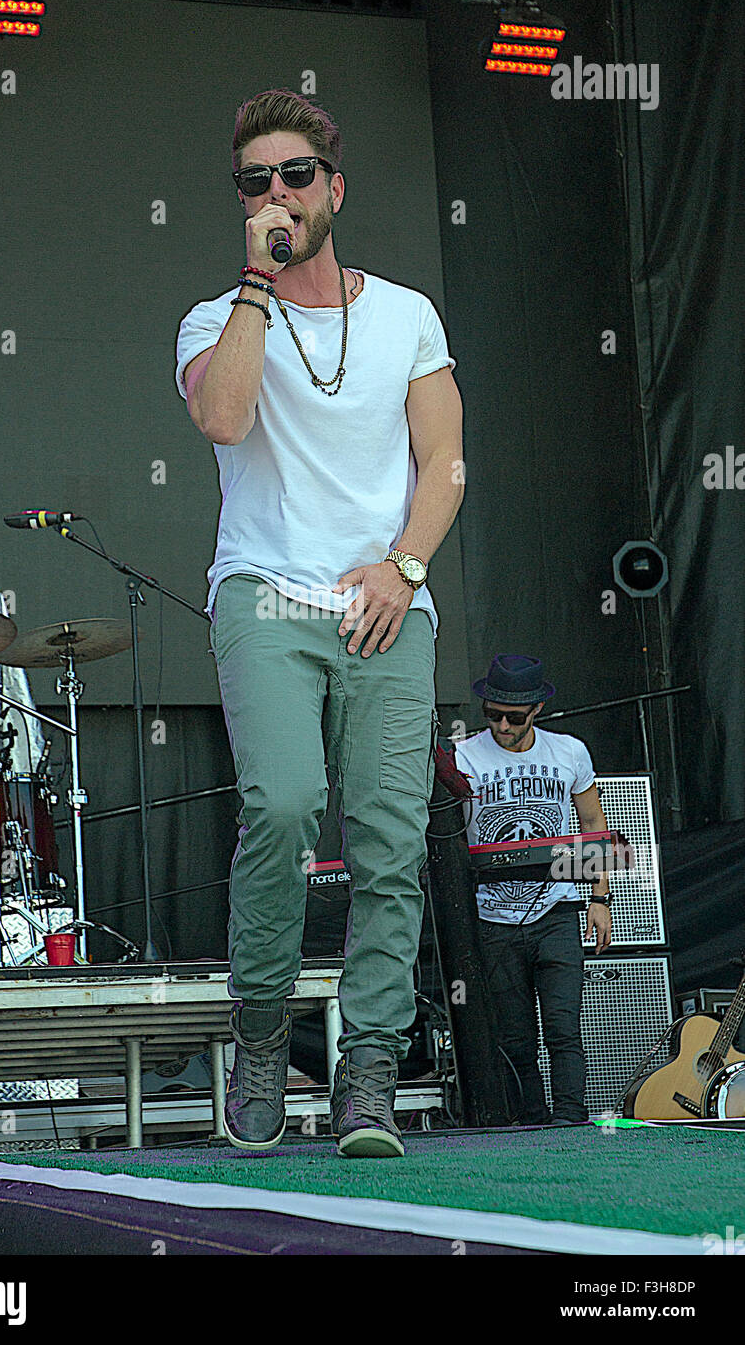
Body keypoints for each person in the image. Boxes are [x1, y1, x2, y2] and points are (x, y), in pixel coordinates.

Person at [174, 88, 463, 1155]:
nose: (279, 193)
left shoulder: (407, 314)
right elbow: (224, 415)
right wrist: (260, 277)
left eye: (297, 175)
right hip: (268, 594)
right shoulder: (215, 318)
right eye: (257, 182)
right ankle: (261, 1034)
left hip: (390, 600)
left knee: (392, 844)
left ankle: (371, 1072)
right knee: (287, 804)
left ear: (335, 188)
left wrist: (404, 565)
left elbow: (446, 462)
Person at [454, 654, 613, 1125]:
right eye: (493, 714)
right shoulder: (462, 757)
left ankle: (571, 1120)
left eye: (514, 717)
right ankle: (532, 1121)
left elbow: (592, 826)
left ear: (536, 711)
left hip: (558, 909)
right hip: (493, 916)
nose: (502, 725)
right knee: (515, 1036)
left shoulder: (569, 752)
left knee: (564, 1028)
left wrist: (600, 900)